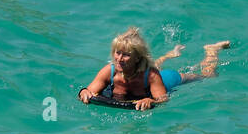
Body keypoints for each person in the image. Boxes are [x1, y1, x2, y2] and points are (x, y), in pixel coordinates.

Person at [79, 27, 230, 110]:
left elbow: (163, 99)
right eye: (117, 53)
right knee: (151, 66)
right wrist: (84, 92)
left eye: (126, 55)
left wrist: (150, 100)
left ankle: (212, 50)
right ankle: (171, 54)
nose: (119, 59)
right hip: (143, 72)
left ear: (137, 57)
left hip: (166, 80)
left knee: (208, 76)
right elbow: (90, 90)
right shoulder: (109, 71)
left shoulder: (151, 75)